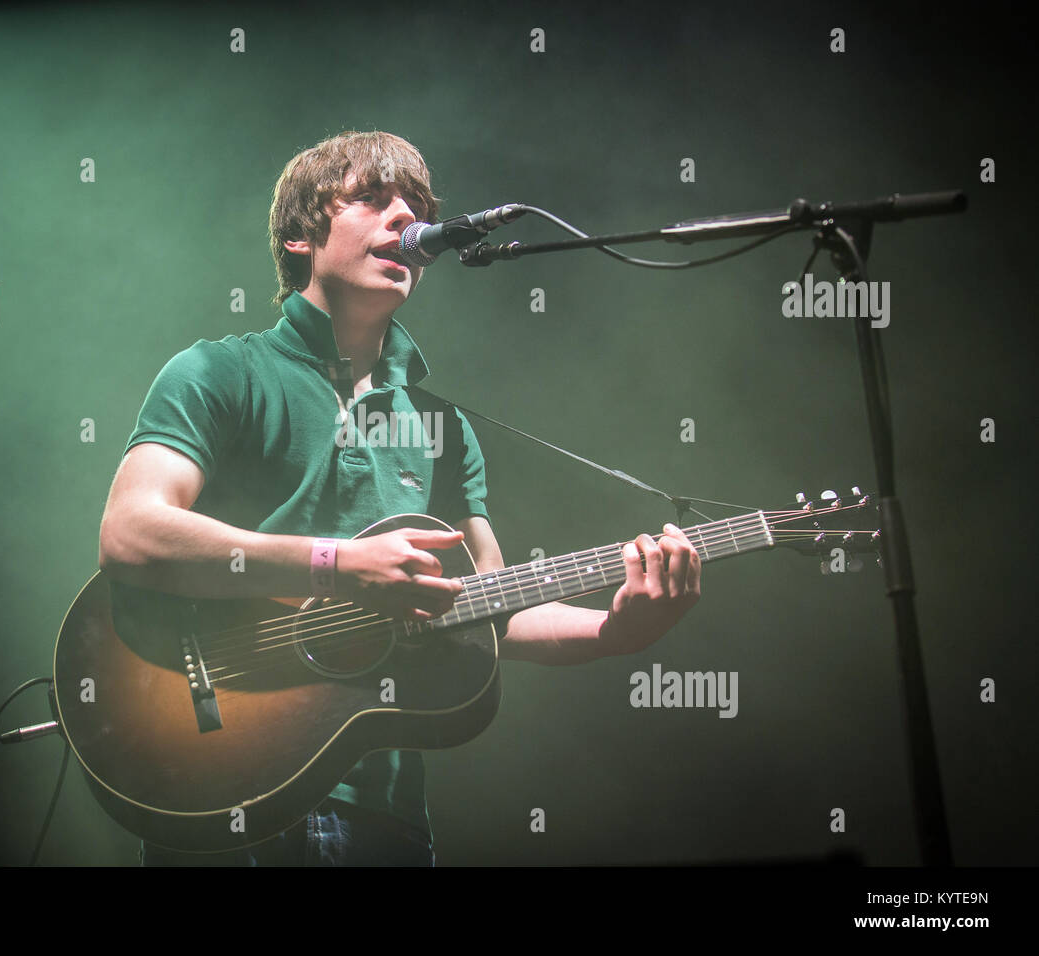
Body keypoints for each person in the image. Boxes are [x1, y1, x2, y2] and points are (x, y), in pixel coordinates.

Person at [97, 130, 702, 866]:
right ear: (298, 238)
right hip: (227, 779)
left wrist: (616, 631)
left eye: (415, 206)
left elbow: (487, 609)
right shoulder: (219, 373)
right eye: (373, 200)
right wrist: (338, 565)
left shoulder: (443, 427)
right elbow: (130, 533)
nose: (404, 221)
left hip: (384, 815)